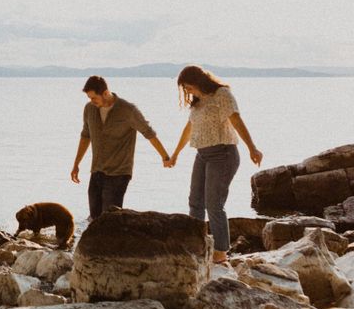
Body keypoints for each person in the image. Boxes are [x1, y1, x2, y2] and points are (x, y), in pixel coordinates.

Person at [165, 65, 263, 264]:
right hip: (202, 154)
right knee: (195, 202)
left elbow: (236, 120)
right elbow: (189, 128)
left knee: (214, 204)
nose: (187, 91)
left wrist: (252, 147)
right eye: (184, 88)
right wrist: (175, 153)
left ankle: (220, 253)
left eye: (188, 86)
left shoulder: (222, 94)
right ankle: (197, 246)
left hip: (223, 154)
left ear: (198, 81)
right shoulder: (198, 102)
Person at [70, 75, 170, 219]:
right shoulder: (89, 109)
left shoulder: (128, 110)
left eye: (94, 98)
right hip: (97, 170)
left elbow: (149, 133)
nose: (91, 101)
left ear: (105, 93)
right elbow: (86, 136)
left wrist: (165, 157)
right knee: (94, 218)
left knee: (110, 220)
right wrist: (76, 164)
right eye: (89, 98)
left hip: (119, 173)